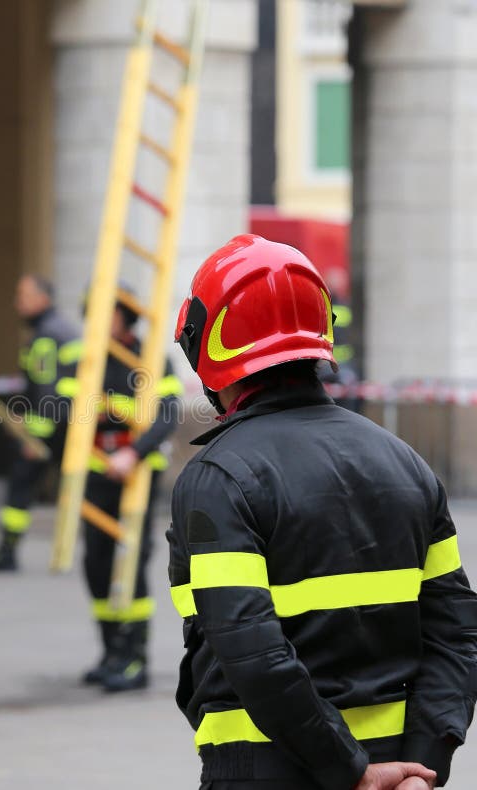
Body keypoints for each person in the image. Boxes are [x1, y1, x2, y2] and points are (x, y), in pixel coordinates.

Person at [169, 234, 477, 789]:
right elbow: (456, 634)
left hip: (270, 770)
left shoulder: (218, 479)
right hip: (400, 774)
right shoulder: (406, 462)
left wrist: (350, 772)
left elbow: (252, 651)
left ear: (205, 342)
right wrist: (421, 768)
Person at [59, 288, 182, 692]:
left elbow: (168, 414)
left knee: (130, 562)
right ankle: (111, 650)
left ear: (126, 318)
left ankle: (135, 657)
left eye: (106, 313)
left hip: (135, 477)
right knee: (95, 562)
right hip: (94, 475)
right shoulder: (85, 360)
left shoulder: (149, 361)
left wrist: (134, 453)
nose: (98, 321)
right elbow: (63, 412)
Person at [0, 274, 80, 571]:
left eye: (24, 295)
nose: (17, 302)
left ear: (43, 298)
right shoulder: (61, 329)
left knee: (20, 485)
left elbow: (48, 391)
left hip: (51, 427)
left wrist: (34, 438)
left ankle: (7, 551)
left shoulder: (47, 336)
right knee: (76, 486)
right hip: (69, 424)